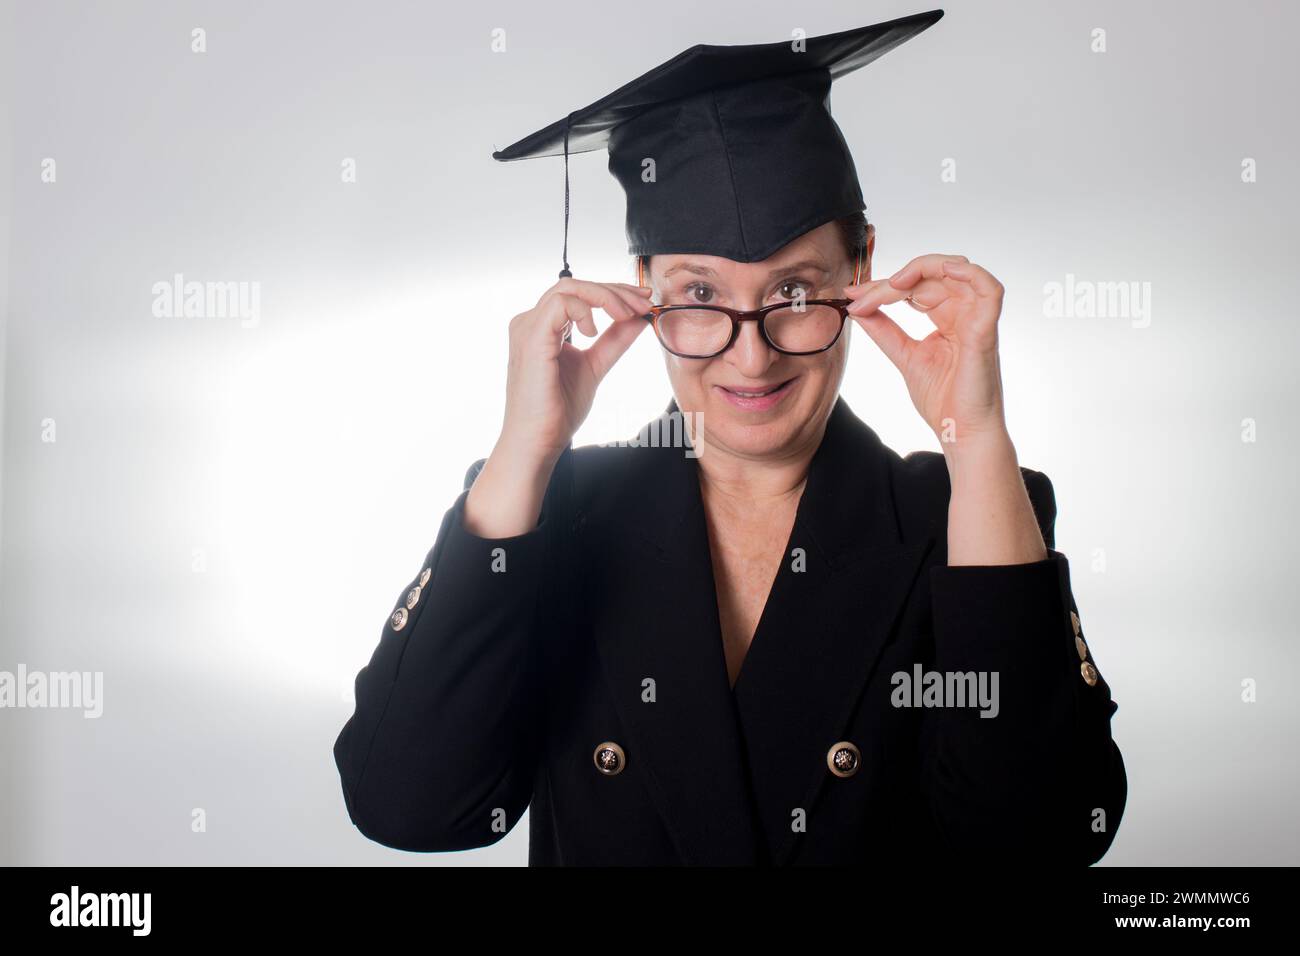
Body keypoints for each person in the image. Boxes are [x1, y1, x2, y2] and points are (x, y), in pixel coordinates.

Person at [333, 9, 1127, 866]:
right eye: (701, 295)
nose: (751, 357)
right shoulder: (550, 515)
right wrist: (525, 449)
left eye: (795, 292)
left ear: (862, 268)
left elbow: (1040, 835)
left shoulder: (960, 516)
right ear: (644, 287)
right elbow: (412, 807)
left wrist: (974, 436)